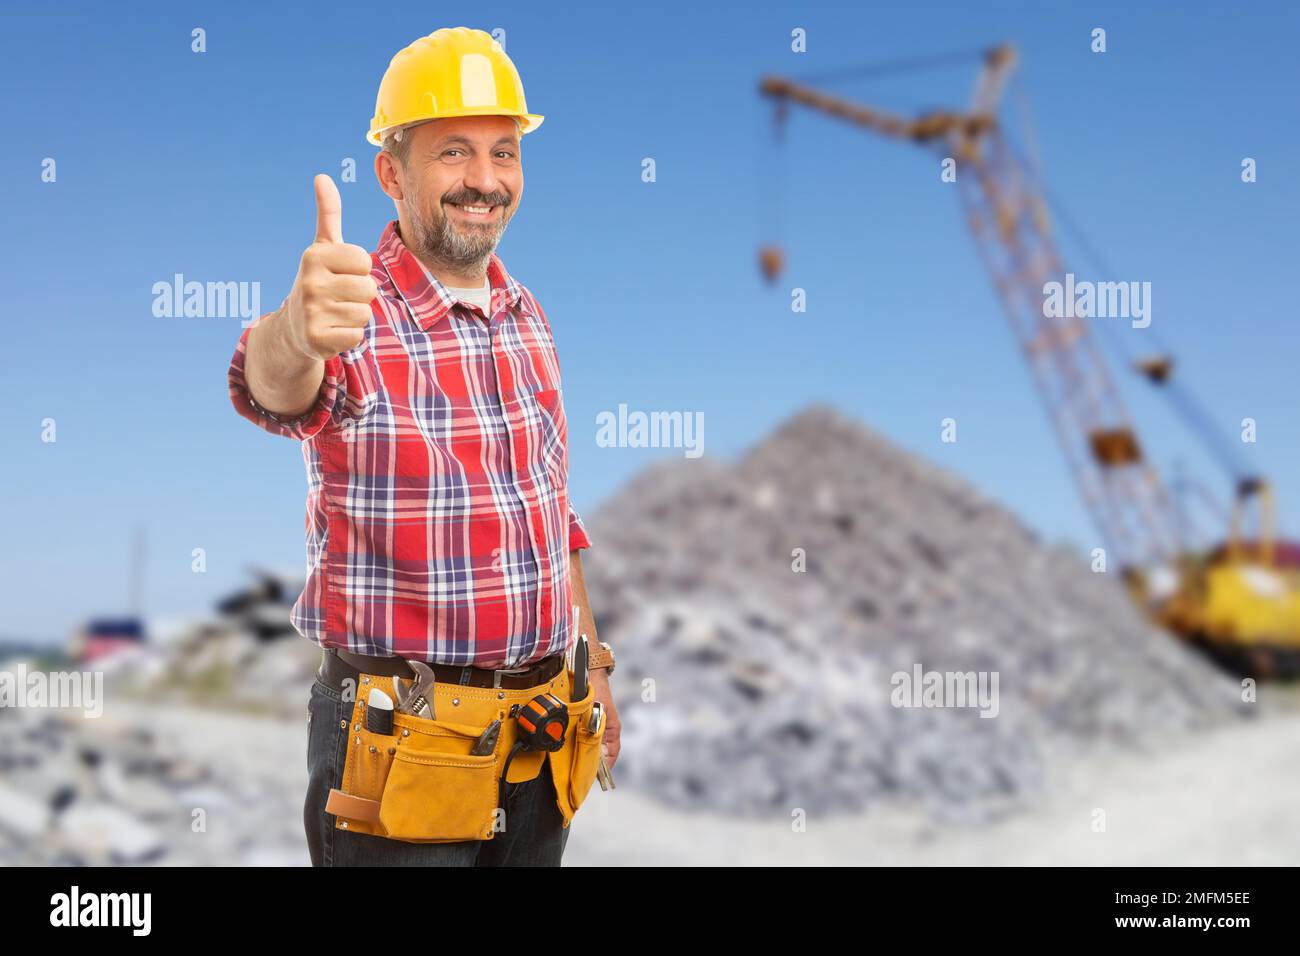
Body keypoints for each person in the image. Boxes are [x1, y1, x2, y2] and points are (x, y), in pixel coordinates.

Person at [225, 26, 619, 866]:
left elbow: (552, 509)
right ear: (392, 172)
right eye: (453, 153)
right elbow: (273, 389)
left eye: (504, 152)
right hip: (398, 743)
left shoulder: (528, 316)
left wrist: (596, 665)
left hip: (540, 739)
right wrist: (294, 331)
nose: (485, 180)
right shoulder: (353, 312)